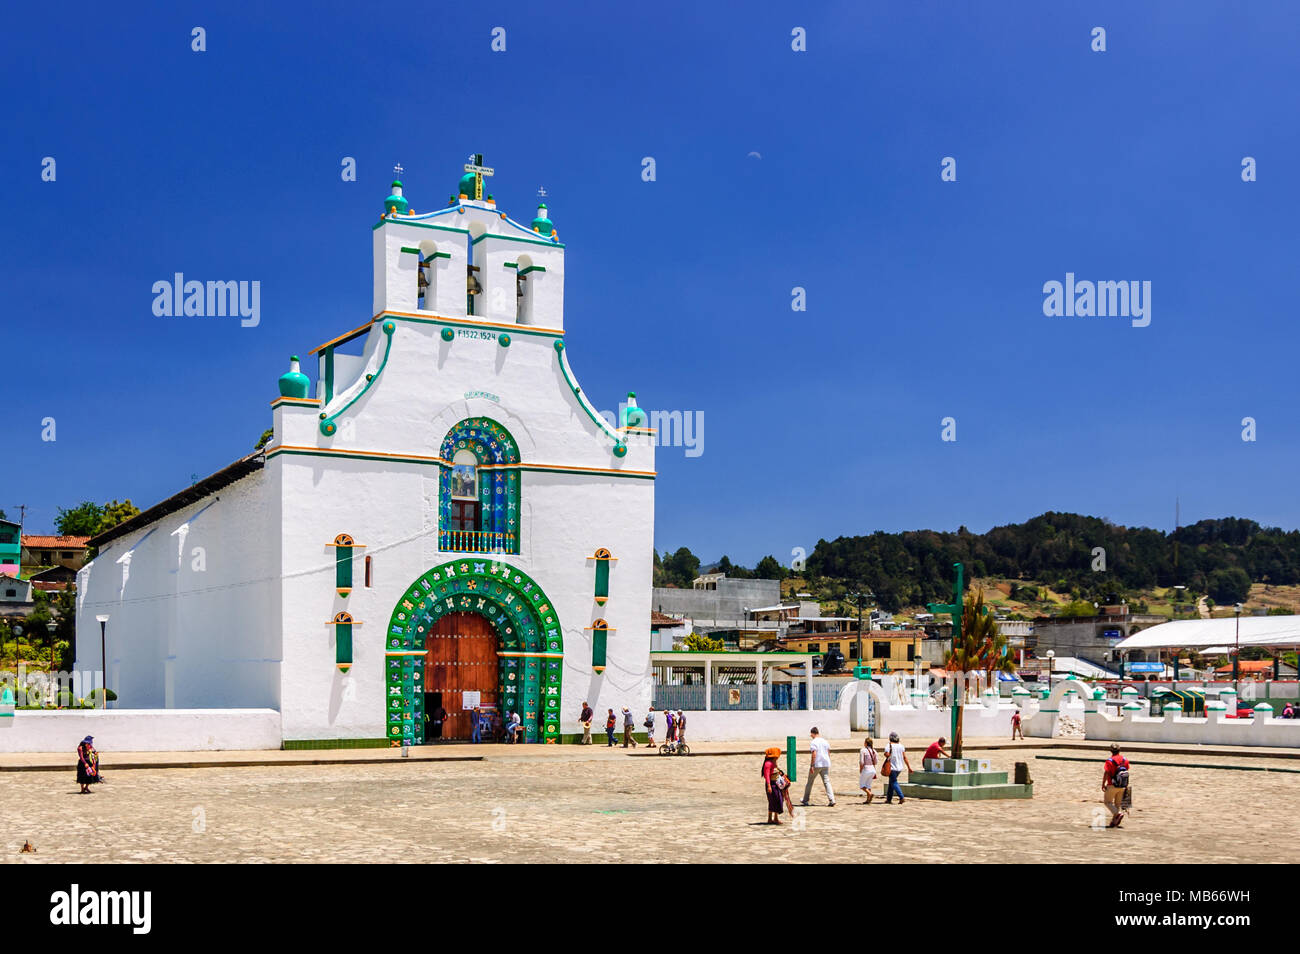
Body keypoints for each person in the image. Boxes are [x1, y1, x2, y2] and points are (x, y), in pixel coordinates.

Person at [800, 726, 835, 807]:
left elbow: (814, 754)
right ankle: (832, 799)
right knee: (827, 782)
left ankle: (805, 799)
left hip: (817, 764)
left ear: (812, 733)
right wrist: (827, 761)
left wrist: (812, 765)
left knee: (810, 781)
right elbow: (828, 752)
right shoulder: (825, 741)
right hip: (825, 764)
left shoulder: (814, 742)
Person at [1102, 743, 1130, 828]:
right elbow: (1127, 770)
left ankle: (1118, 814)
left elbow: (1106, 773)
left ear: (1111, 751)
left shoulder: (1109, 761)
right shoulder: (1125, 760)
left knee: (1107, 802)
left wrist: (1103, 784)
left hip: (1112, 784)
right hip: (1123, 785)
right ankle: (1114, 821)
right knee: (1117, 804)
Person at [883, 732, 912, 804]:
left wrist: (886, 755)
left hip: (892, 767)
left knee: (893, 782)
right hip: (899, 767)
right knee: (891, 783)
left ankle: (901, 797)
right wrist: (909, 767)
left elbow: (887, 754)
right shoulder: (901, 746)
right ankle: (889, 799)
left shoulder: (889, 745)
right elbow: (904, 757)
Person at [762, 747, 785, 824]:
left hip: (777, 784)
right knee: (772, 801)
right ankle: (769, 818)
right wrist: (769, 786)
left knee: (779, 800)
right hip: (771, 784)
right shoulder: (768, 764)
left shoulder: (774, 762)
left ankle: (775, 818)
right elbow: (767, 776)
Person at [858, 736, 878, 803]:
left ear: (866, 743)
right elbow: (876, 762)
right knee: (868, 784)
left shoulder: (863, 750)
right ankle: (868, 799)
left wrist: (860, 769)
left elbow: (862, 762)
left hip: (866, 768)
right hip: (872, 769)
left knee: (862, 785)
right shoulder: (874, 751)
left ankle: (869, 794)